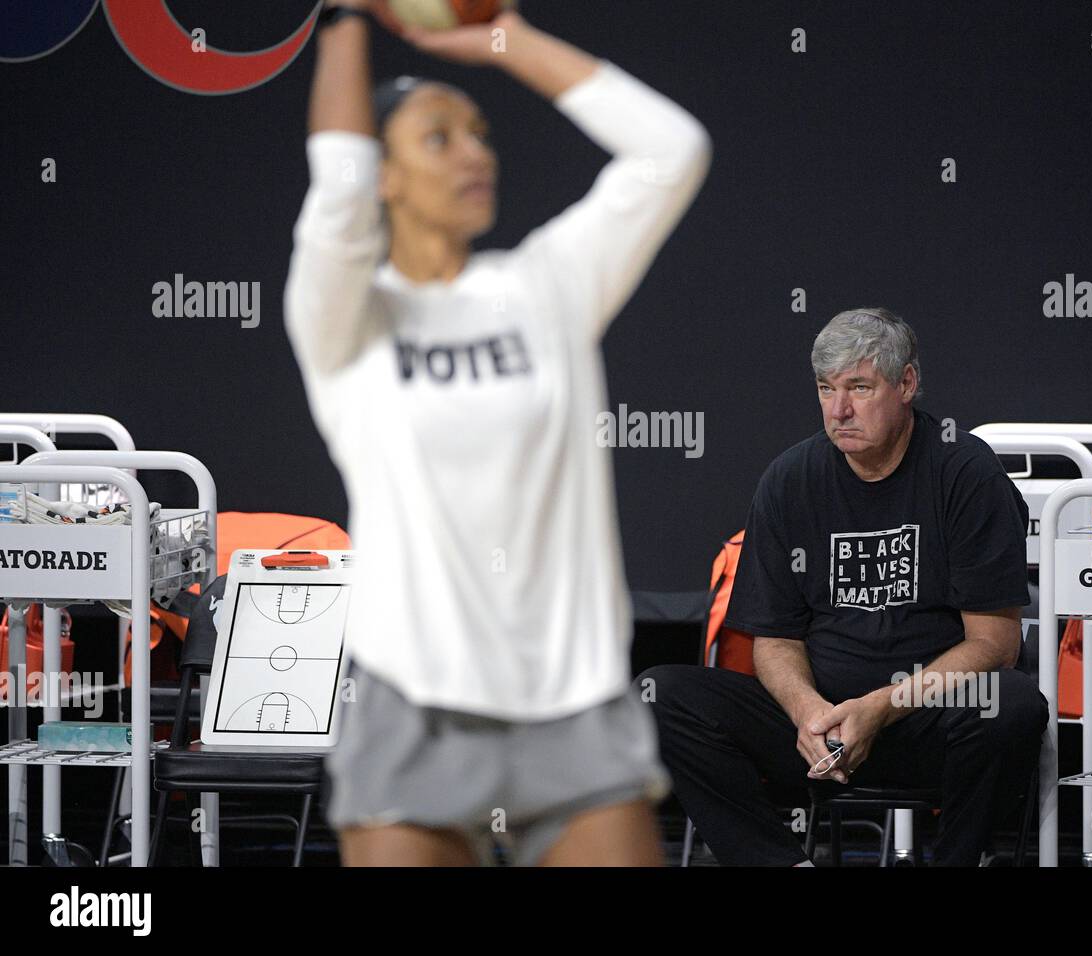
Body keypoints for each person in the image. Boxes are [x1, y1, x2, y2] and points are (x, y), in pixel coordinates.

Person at [284, 0, 711, 866]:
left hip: (579, 710)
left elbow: (671, 151)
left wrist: (503, 41)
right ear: (384, 175)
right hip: (414, 709)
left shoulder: (543, 288)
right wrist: (342, 18)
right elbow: (335, 186)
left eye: (480, 131)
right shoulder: (348, 323)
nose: (477, 151)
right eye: (438, 137)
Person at [640, 308, 1048, 866]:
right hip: (820, 732)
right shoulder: (790, 480)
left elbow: (995, 643)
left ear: (906, 384)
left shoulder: (962, 472)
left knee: (1013, 704)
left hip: (921, 721)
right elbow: (775, 640)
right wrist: (809, 711)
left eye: (860, 387)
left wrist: (879, 709)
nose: (840, 410)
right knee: (657, 695)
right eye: (826, 389)